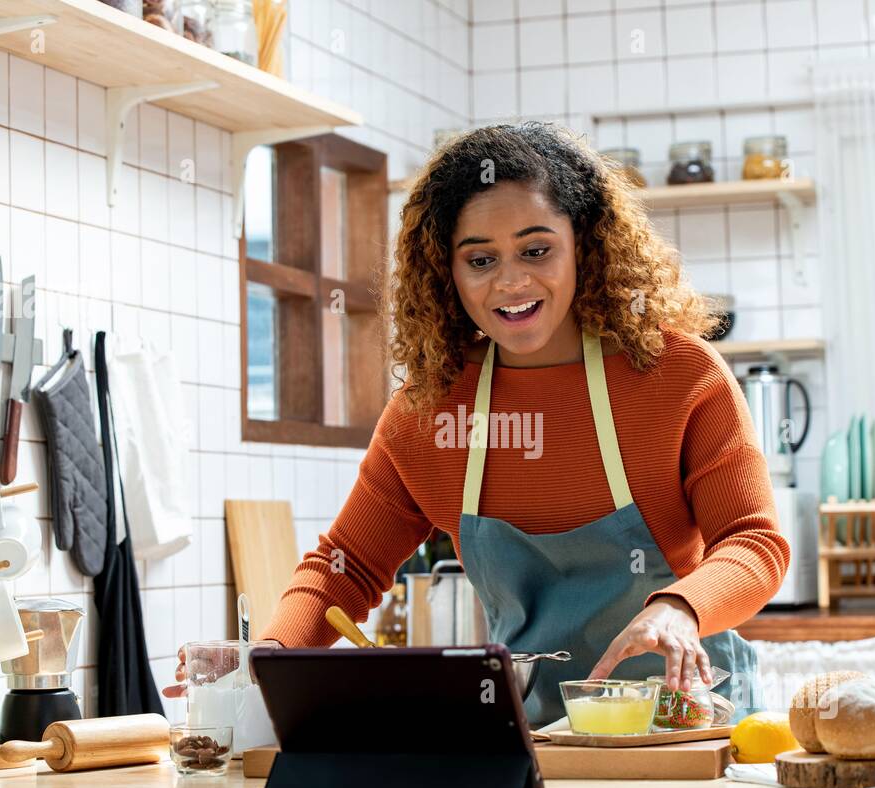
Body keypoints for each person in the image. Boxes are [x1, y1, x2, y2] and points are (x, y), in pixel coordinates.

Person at [175, 122, 790, 726]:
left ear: (586, 244)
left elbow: (754, 543)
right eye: (480, 259)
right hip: (530, 736)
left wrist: (681, 607)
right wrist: (272, 654)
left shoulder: (675, 375)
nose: (512, 280)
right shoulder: (431, 409)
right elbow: (347, 565)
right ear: (447, 271)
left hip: (689, 722)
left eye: (537, 249)